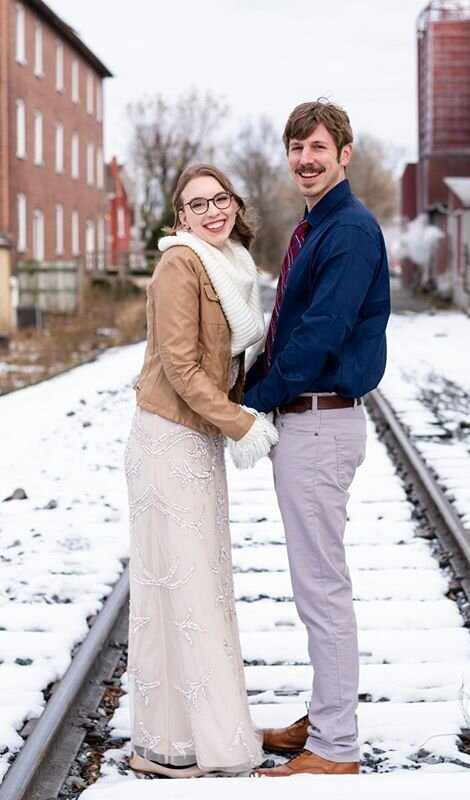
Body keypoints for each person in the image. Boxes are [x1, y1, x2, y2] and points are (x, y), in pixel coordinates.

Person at [244, 100, 391, 777]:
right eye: (296, 147)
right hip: (311, 419)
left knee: (322, 588)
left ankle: (335, 746)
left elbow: (321, 334)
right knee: (316, 585)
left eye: (318, 148)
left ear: (345, 153)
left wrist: (254, 401)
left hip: (321, 418)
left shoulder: (350, 230)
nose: (305, 159)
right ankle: (324, 715)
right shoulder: (319, 225)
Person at [124, 163, 277, 778]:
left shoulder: (233, 264)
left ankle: (178, 740)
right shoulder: (179, 265)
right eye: (197, 204)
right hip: (169, 438)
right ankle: (180, 745)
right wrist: (243, 423)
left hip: (195, 439)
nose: (212, 211)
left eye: (220, 199)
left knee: (197, 587)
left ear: (235, 205)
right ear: (180, 217)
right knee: (184, 591)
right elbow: (183, 369)